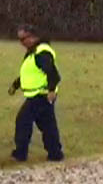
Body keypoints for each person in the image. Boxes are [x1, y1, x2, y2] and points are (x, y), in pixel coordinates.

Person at [10, 24, 63, 163]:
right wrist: (16, 84)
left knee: (23, 121)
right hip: (39, 95)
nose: (21, 43)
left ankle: (20, 154)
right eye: (19, 40)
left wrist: (51, 90)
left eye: (23, 39)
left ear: (32, 36)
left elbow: (53, 74)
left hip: (41, 95)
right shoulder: (33, 52)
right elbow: (31, 73)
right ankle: (55, 154)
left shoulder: (41, 53)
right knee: (47, 125)